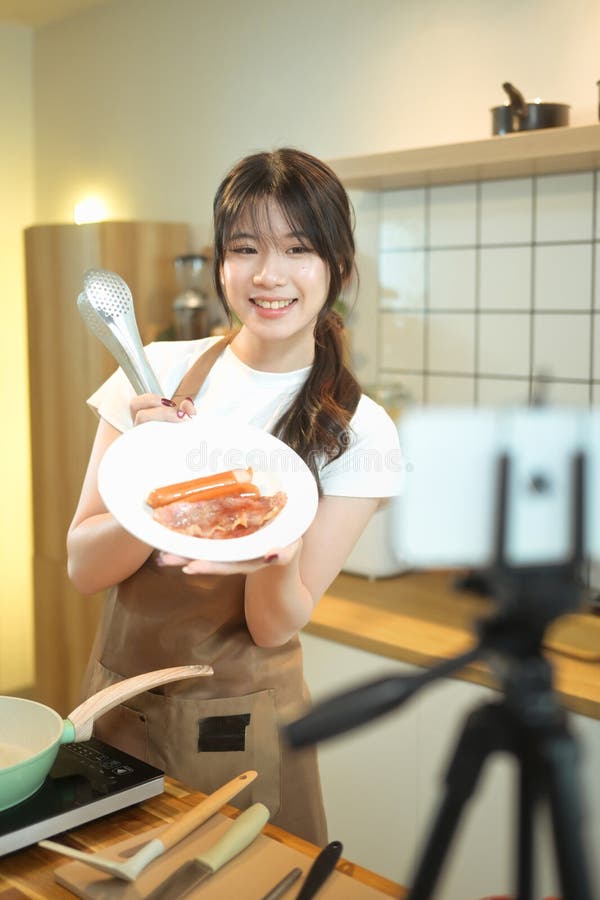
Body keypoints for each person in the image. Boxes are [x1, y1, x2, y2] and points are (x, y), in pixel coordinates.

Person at [67, 147, 402, 844]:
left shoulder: (361, 432)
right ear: (221, 263)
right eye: (244, 248)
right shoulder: (154, 372)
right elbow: (83, 567)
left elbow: (275, 627)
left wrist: (277, 553)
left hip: (239, 732)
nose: (268, 274)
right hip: (120, 702)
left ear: (337, 267)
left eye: (298, 249)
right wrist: (150, 475)